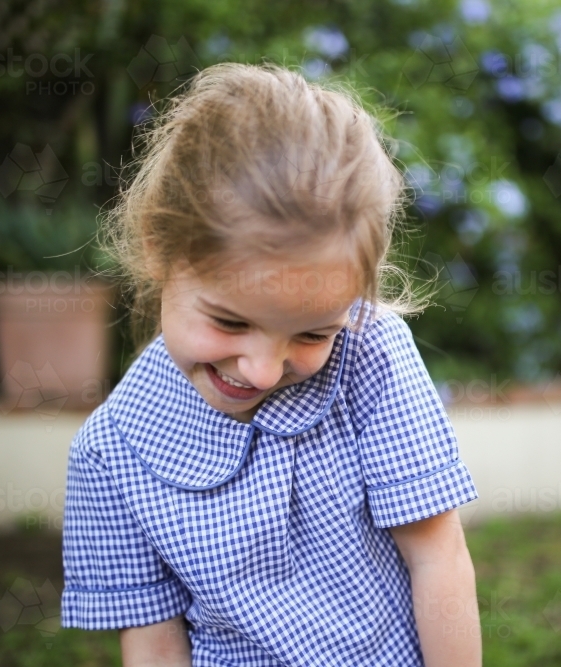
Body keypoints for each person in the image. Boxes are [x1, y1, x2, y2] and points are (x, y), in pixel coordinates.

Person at [60, 62, 481, 667]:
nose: (261, 372)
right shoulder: (109, 455)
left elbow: (437, 557)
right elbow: (154, 644)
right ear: (160, 248)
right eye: (230, 322)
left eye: (313, 333)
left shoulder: (373, 354)